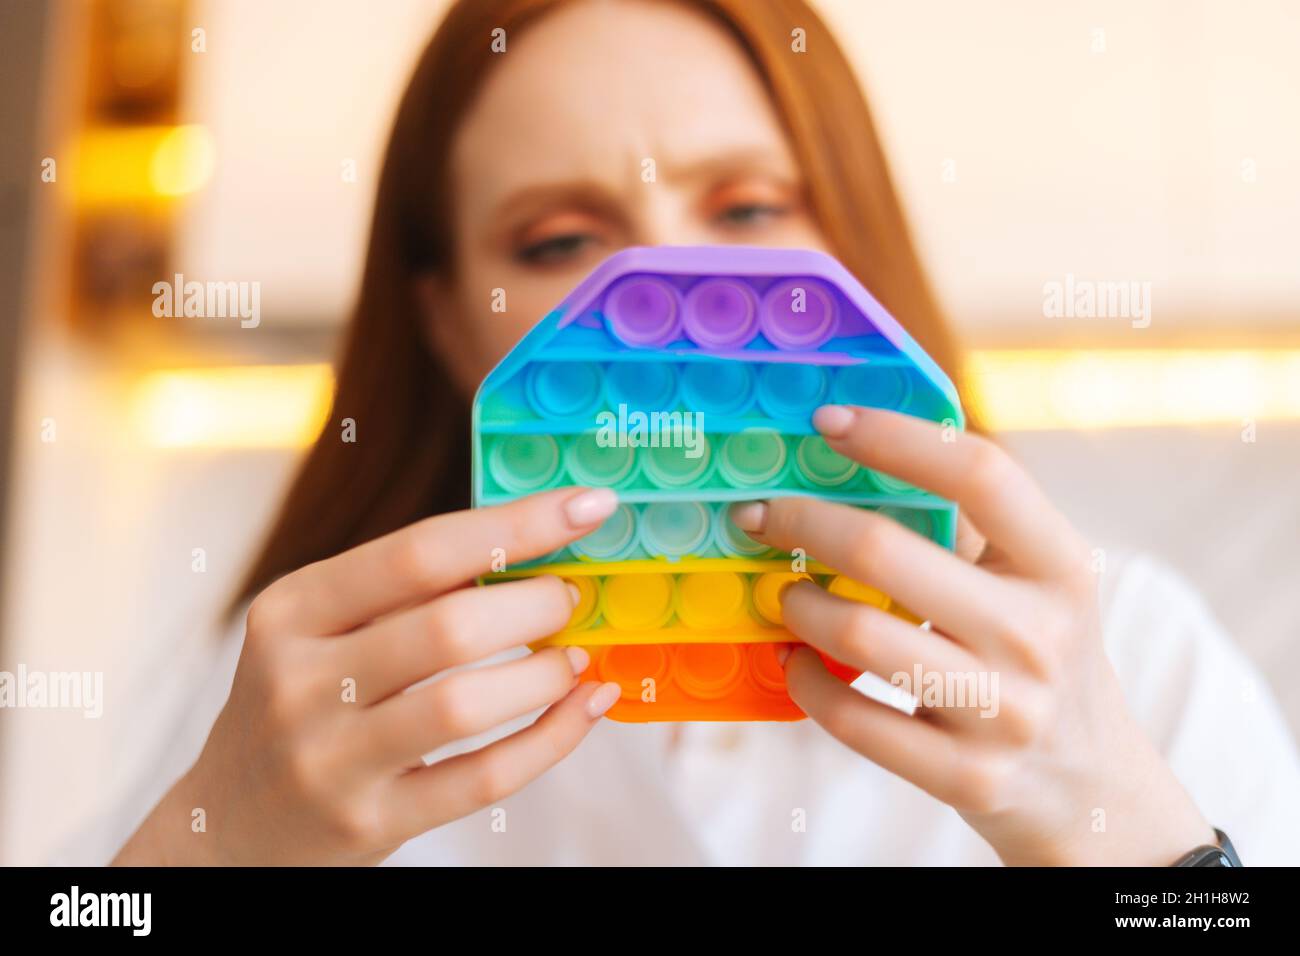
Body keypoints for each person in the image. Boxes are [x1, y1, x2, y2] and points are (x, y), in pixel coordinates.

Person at [107, 0, 1300, 865]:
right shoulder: (322, 696)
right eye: (559, 239)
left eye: (745, 207)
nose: (664, 298)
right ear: (450, 325)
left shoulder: (1123, 656)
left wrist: (1147, 854)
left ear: (854, 249)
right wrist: (209, 851)